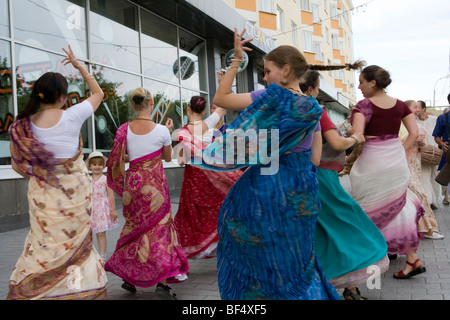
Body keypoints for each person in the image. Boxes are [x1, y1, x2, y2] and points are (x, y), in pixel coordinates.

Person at [191, 28, 342, 300]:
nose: (265, 78)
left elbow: (221, 101)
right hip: (302, 192)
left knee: (255, 251)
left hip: (267, 188)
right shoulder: (314, 109)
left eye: (267, 71)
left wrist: (236, 62)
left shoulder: (270, 98)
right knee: (297, 259)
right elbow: (316, 159)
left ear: (285, 71)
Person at [8, 45, 108, 299]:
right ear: (63, 97)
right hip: (76, 196)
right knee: (77, 246)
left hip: (43, 197)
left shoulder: (23, 127)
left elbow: (17, 166)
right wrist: (80, 67)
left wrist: (41, 178)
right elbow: (98, 93)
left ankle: (40, 290)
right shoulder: (73, 115)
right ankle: (78, 290)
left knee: (44, 245)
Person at [301, 70, 389, 300]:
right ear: (310, 89)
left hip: (293, 177)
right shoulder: (313, 108)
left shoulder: (279, 107)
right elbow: (337, 142)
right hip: (321, 179)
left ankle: (344, 287)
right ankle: (348, 285)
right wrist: (355, 138)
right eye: (317, 87)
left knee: (318, 233)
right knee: (351, 226)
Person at [105, 87, 189, 300]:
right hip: (154, 186)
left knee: (134, 228)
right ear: (151, 102)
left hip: (132, 186)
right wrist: (168, 132)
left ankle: (128, 277)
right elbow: (168, 157)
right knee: (158, 230)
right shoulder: (162, 130)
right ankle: (161, 283)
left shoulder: (123, 129)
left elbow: (119, 158)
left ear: (133, 105)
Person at [350, 65, 426, 280]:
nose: (359, 86)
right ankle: (412, 259)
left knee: (369, 208)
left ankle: (372, 264)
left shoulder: (363, 106)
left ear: (372, 83)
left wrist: (347, 131)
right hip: (395, 161)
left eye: (362, 81)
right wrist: (398, 151)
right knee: (397, 206)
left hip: (373, 161)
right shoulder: (401, 105)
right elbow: (414, 133)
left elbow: (358, 135)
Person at [173, 96, 243, 259]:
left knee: (192, 216)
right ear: (204, 111)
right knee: (215, 211)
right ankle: (221, 246)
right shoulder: (209, 126)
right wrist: (223, 83)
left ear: (188, 109)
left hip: (193, 179)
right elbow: (223, 106)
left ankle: (186, 253)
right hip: (212, 178)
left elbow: (182, 162)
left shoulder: (181, 133)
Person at [402, 101, 443, 240]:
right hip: (409, 165)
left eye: (418, 107)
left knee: (414, 196)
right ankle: (428, 229)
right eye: (414, 107)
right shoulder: (416, 127)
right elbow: (422, 144)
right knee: (419, 196)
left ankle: (423, 229)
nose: (417, 110)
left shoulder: (399, 126)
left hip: (406, 165)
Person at [86, 151, 119, 263]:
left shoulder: (105, 179)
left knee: (101, 233)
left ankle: (103, 256)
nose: (97, 167)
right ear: (90, 166)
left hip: (102, 210)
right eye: (94, 164)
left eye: (99, 164)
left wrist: (113, 210)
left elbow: (110, 195)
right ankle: (90, 255)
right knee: (89, 233)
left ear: (103, 165)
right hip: (91, 209)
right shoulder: (87, 179)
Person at [417, 100, 440, 209]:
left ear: (424, 109)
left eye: (418, 107)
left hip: (436, 155)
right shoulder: (414, 122)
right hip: (421, 155)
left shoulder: (435, 120)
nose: (416, 110)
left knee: (435, 177)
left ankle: (435, 201)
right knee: (424, 177)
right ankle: (429, 201)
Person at [432, 101, 450, 206]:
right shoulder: (443, 118)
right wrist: (442, 144)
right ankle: (447, 197)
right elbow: (437, 136)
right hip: (449, 151)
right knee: (446, 172)